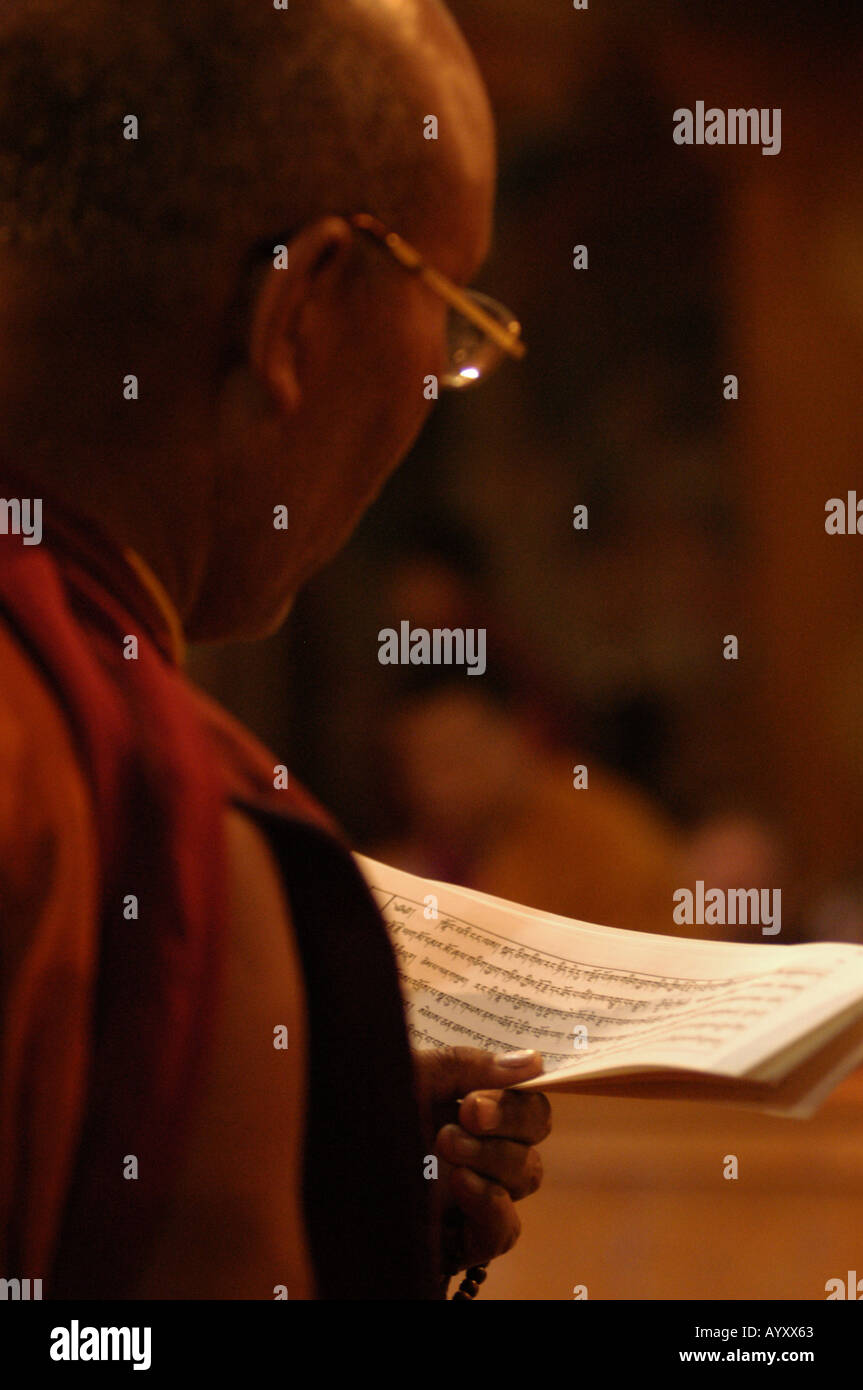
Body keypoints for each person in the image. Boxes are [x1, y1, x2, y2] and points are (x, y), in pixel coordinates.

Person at [0, 0, 550, 1300]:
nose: (437, 379)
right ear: (299, 310)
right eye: (453, 316)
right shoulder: (168, 832)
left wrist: (328, 1139)